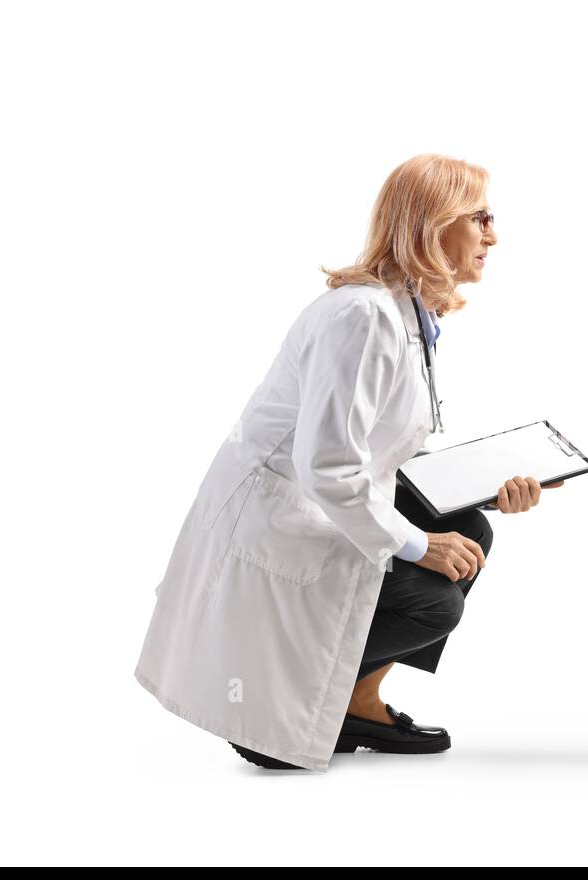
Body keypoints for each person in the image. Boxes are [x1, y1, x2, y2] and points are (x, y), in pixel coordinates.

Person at [134, 154, 559, 771]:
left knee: (471, 527)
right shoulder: (362, 318)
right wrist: (419, 547)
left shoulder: (406, 311)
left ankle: (357, 697)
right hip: (285, 513)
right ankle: (271, 716)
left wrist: (484, 488)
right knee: (436, 601)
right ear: (433, 225)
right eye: (480, 218)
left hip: (318, 493)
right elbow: (329, 467)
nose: (494, 235)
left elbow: (386, 447)